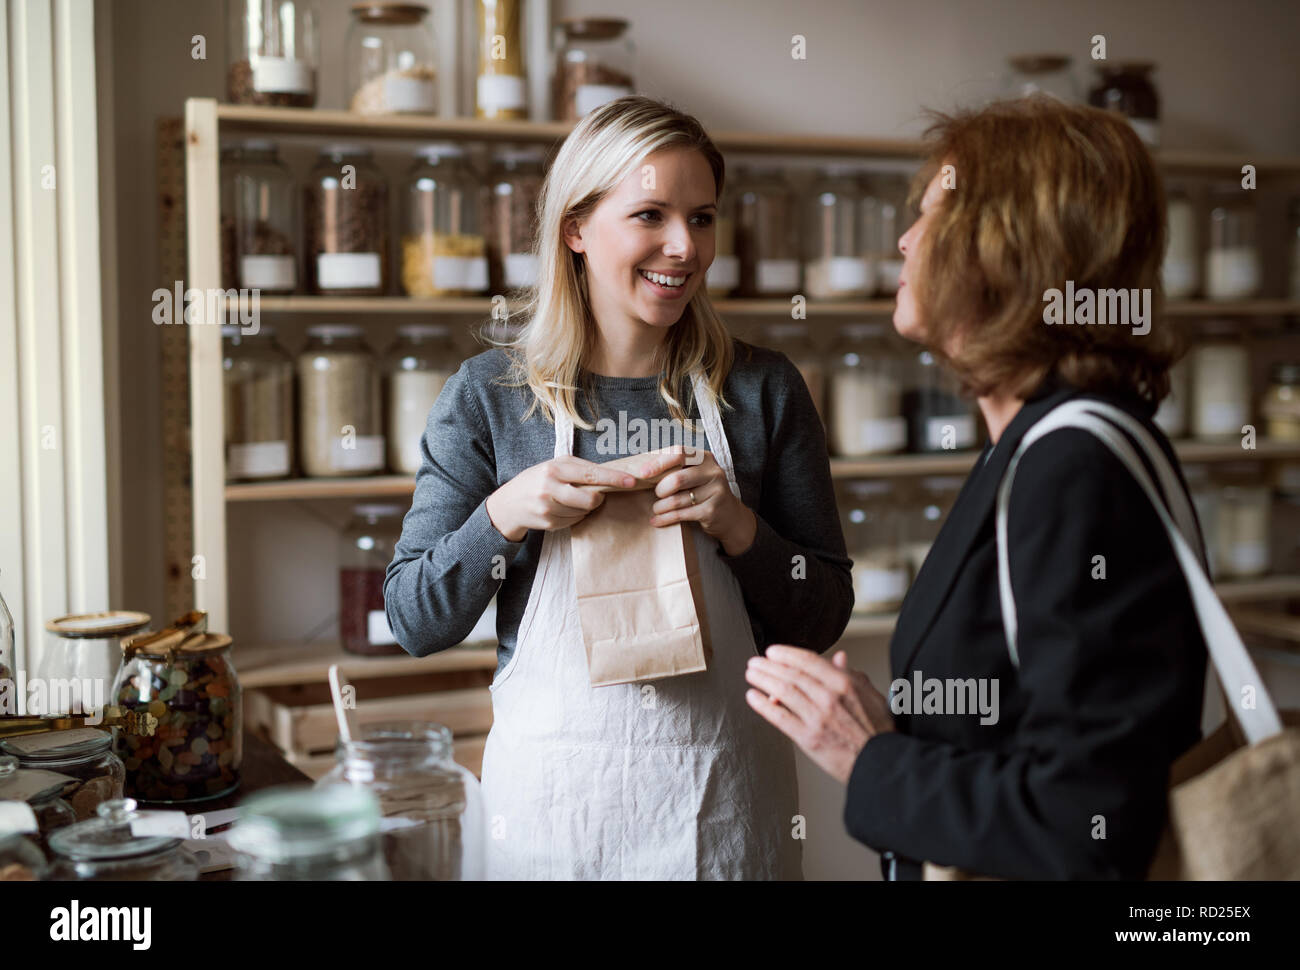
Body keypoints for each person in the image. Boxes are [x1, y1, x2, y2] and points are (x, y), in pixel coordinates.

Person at [384, 96, 852, 879]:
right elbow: (412, 618)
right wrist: (504, 515)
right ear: (576, 228)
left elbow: (823, 613)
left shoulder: (764, 389)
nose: (683, 247)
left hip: (726, 819)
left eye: (702, 218)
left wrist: (739, 528)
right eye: (650, 215)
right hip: (552, 824)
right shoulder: (492, 397)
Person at [745, 96, 1209, 880]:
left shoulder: (1070, 468)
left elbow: (1088, 823)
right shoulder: (1030, 445)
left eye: (928, 215)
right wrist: (908, 730)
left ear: (999, 250)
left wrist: (870, 758)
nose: (902, 239)